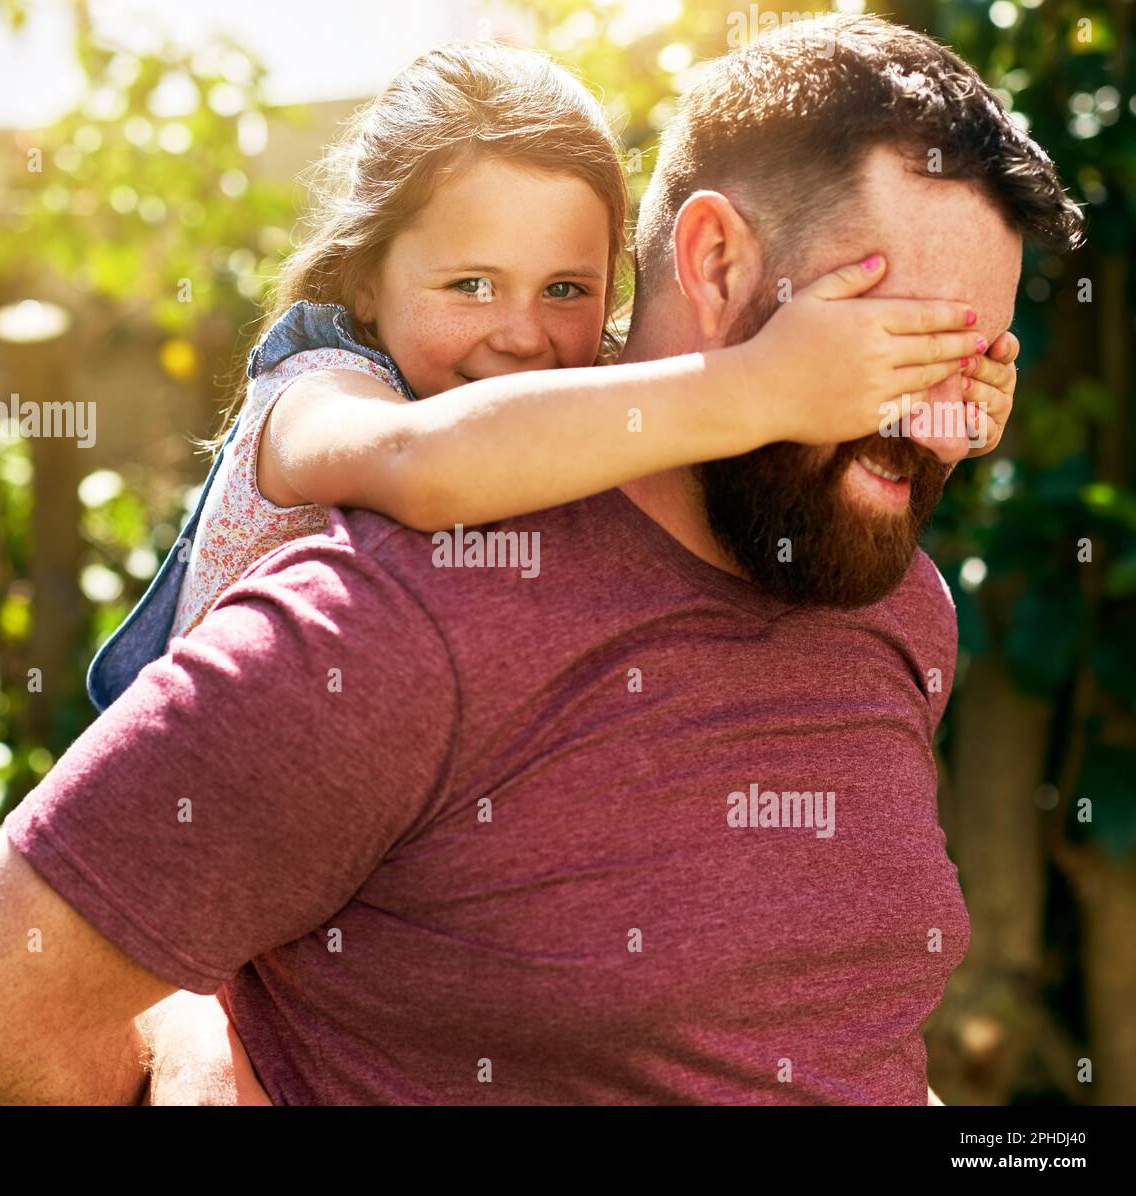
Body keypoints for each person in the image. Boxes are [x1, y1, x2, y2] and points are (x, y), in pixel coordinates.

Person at [0, 14, 1082, 1105]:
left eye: (968, 363)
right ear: (714, 269)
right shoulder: (391, 605)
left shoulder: (889, 601)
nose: (939, 420)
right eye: (891, 344)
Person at [86, 40, 1005, 712]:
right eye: (470, 284)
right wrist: (768, 382)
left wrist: (927, 406)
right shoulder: (316, 393)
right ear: (366, 278)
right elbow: (424, 465)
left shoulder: (578, 394)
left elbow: (732, 461)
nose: (522, 336)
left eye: (566, 288)